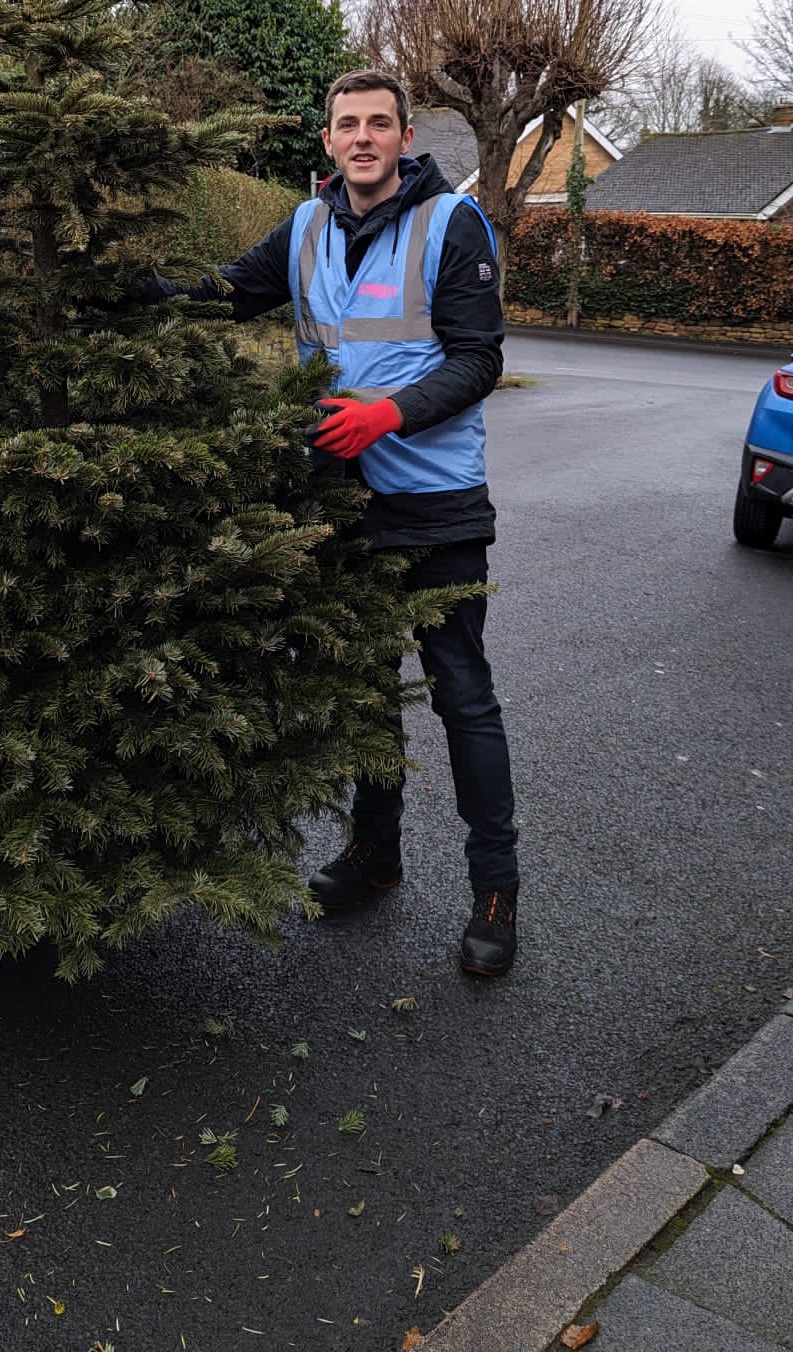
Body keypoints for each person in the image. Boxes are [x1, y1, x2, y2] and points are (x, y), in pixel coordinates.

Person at [154, 67, 519, 977]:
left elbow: (478, 360)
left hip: (435, 505)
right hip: (338, 502)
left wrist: (390, 415)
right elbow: (226, 293)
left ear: (404, 138)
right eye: (347, 125)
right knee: (361, 696)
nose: (362, 138)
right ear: (327, 141)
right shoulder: (308, 224)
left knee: (461, 697)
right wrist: (127, 294)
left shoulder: (451, 224)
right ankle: (376, 856)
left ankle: (496, 892)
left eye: (379, 125)